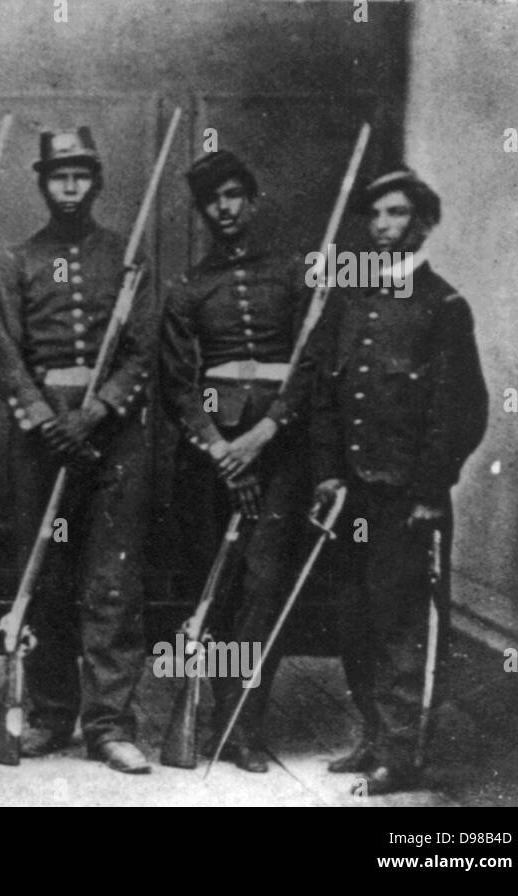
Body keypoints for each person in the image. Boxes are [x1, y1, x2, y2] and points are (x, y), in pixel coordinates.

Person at [0, 127, 159, 774]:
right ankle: (51, 716)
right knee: (49, 578)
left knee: (111, 582)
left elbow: (142, 349)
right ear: (42, 182)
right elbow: (3, 354)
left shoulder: (129, 258)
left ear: (97, 181)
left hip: (114, 442)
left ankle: (110, 725)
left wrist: (99, 410)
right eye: (59, 176)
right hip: (40, 444)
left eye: (80, 175)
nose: (69, 187)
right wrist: (44, 417)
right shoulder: (13, 263)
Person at [310, 169, 488, 795]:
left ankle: (402, 753)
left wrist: (427, 492)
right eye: (376, 216)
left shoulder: (443, 307)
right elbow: (328, 394)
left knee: (402, 622)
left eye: (397, 214)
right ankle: (374, 734)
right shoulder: (352, 300)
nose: (384, 226)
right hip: (354, 495)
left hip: (406, 501)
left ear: (423, 223)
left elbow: (461, 410)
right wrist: (329, 473)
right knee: (355, 617)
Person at [158, 151, 315, 773]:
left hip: (281, 454)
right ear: (202, 213)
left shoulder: (293, 276)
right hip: (212, 460)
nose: (224, 209)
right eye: (211, 201)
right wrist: (223, 449)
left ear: (253, 201)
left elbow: (308, 367)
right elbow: (175, 385)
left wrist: (266, 433)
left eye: (233, 196)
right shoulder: (187, 288)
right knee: (214, 589)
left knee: (264, 586)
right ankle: (207, 708)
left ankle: (243, 724)